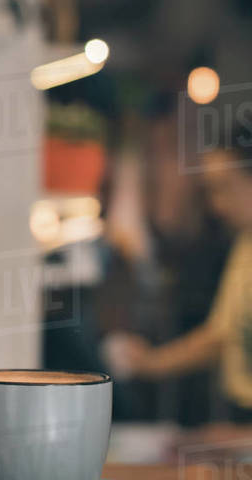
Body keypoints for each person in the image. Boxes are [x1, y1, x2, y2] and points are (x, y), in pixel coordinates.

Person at [107, 112, 252, 422]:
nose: (216, 204)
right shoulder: (245, 245)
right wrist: (150, 362)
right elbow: (219, 335)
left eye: (225, 187)